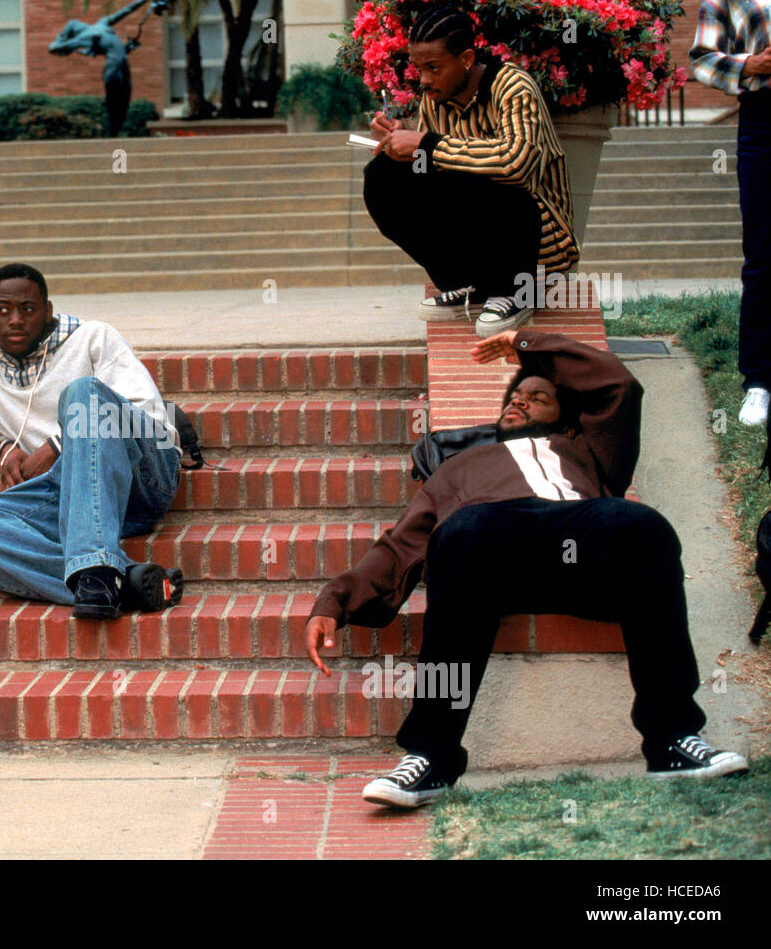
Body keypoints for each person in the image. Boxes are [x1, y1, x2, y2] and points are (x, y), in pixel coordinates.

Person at [305, 328, 748, 807]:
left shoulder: (590, 451)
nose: (520, 402)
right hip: (496, 557)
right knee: (461, 531)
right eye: (515, 397)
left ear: (568, 417)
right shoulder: (462, 467)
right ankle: (431, 756)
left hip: (582, 544)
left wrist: (528, 343)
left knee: (642, 524)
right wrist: (333, 603)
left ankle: (671, 742)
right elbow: (400, 546)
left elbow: (619, 383)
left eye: (538, 397)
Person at [0, 263, 184, 619]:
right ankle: (119, 581)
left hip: (143, 480)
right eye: (3, 310)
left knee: (83, 391)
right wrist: (6, 449)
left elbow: (143, 415)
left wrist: (58, 445)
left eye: (27, 309)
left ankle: (98, 572)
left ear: (47, 311)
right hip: (74, 499)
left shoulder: (93, 338)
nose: (15, 319)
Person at [364, 3, 578, 336]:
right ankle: (471, 286)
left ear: (465, 59)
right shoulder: (435, 100)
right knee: (383, 177)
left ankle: (516, 292)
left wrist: (427, 144)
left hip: (540, 240)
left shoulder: (513, 88)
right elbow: (438, 167)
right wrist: (400, 139)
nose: (424, 80)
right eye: (418, 68)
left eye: (434, 68)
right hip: (487, 232)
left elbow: (515, 163)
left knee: (493, 178)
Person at [690, 0, 771, 426]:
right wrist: (749, 65)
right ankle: (760, 382)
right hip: (763, 118)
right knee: (763, 255)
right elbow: (701, 58)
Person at [49, 0, 170, 136]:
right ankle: (114, 128)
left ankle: (112, 128)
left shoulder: (84, 37)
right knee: (123, 98)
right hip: (122, 61)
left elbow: (53, 48)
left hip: (115, 64)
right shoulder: (102, 24)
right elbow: (127, 10)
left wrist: (64, 44)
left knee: (113, 99)